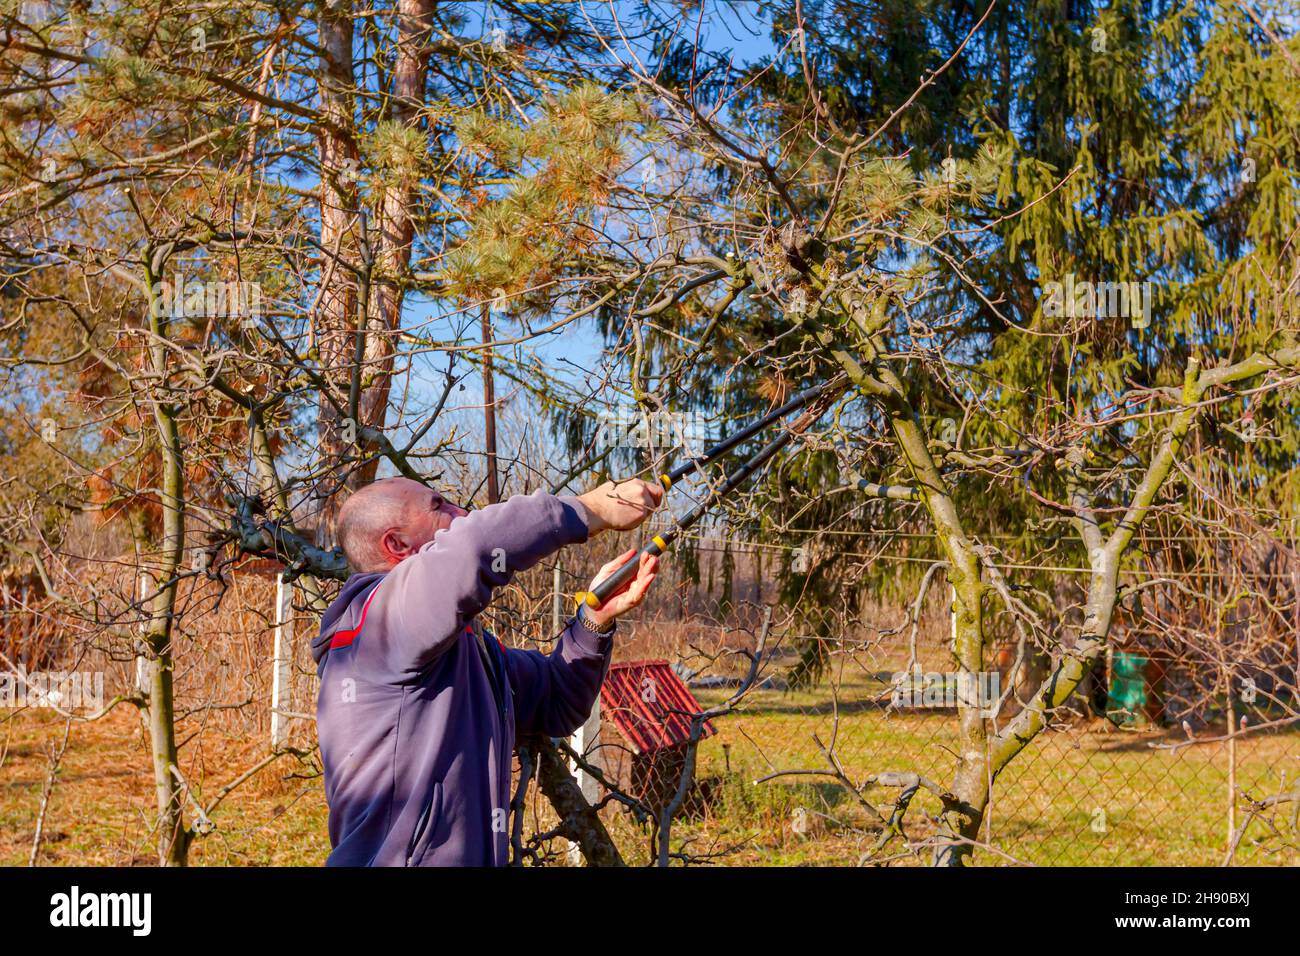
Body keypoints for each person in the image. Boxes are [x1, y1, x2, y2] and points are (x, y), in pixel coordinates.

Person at [311, 477, 663, 866]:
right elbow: (473, 546)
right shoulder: (373, 623)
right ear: (396, 545)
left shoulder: (466, 652)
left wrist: (594, 620)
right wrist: (593, 508)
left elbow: (557, 699)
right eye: (440, 507)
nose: (462, 514)